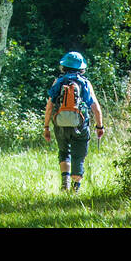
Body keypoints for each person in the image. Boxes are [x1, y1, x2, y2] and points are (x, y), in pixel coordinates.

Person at [44, 51, 104, 192]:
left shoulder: (58, 82)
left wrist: (46, 127)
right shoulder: (85, 83)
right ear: (81, 68)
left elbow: (49, 107)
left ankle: (65, 183)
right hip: (81, 125)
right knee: (79, 155)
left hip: (60, 124)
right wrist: (99, 126)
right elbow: (95, 107)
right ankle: (75, 189)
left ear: (63, 67)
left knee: (64, 152)